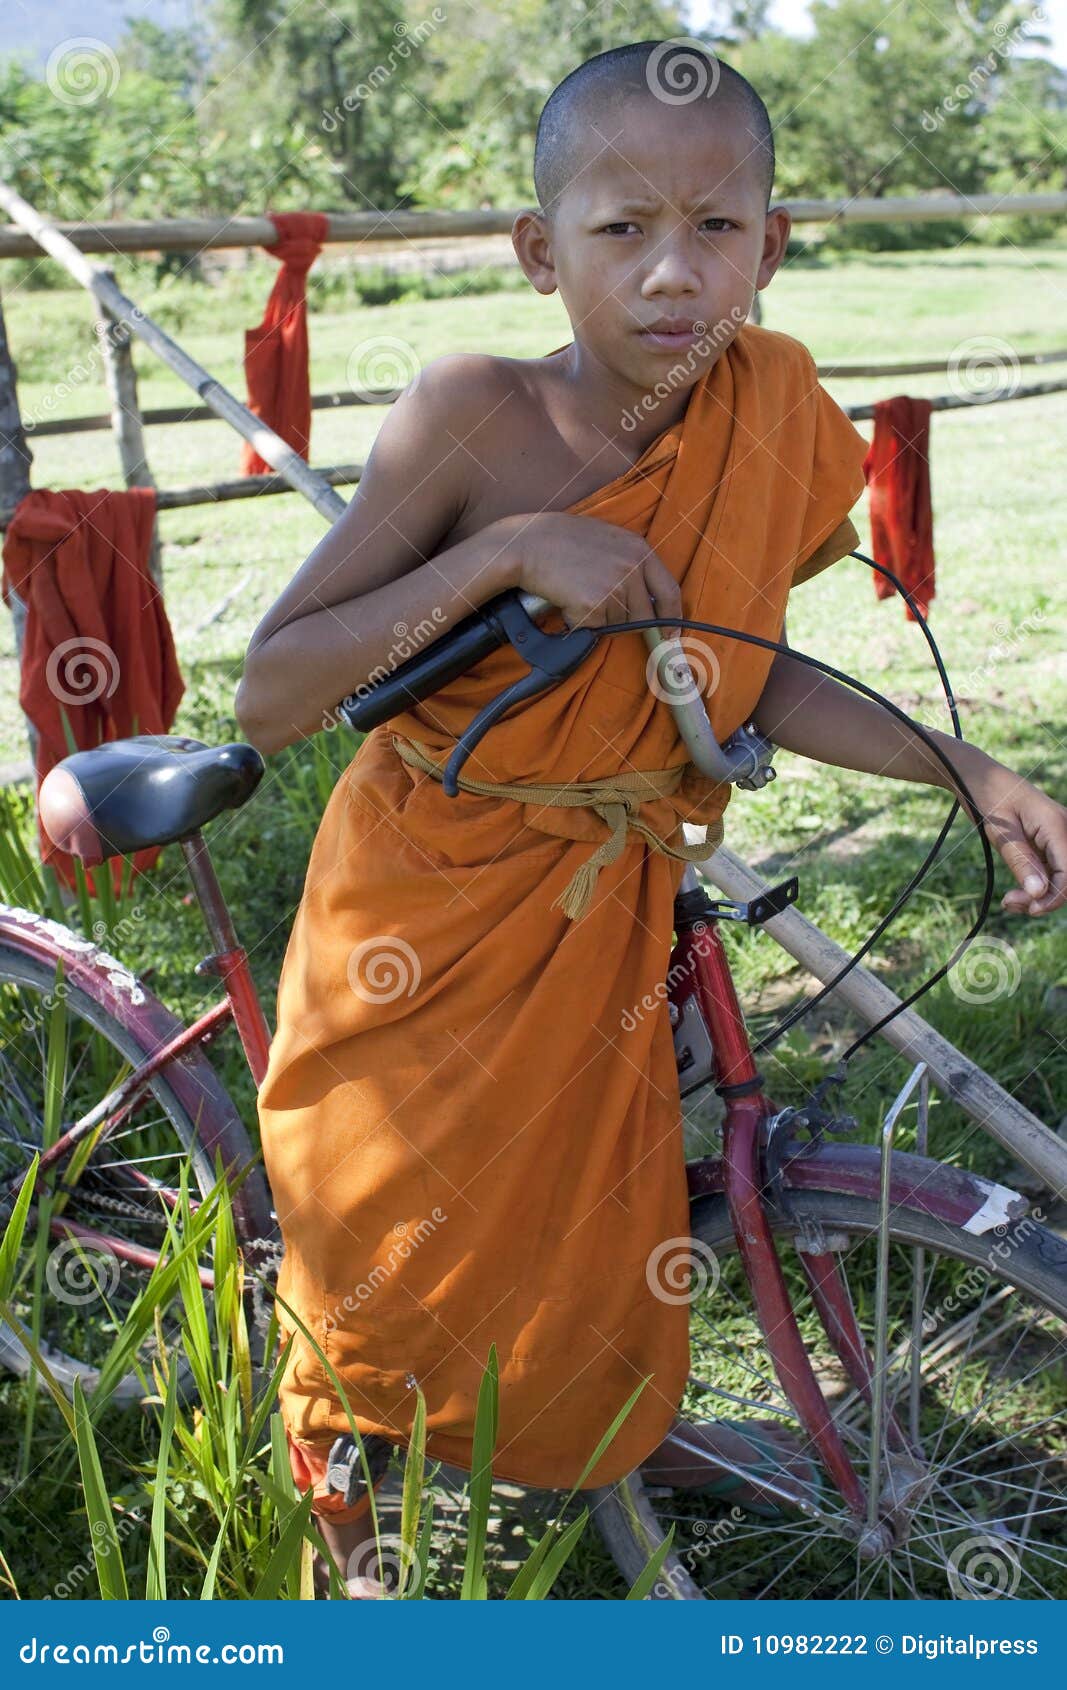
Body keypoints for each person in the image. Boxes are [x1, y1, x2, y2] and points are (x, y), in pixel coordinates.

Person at [235, 41, 1067, 1592]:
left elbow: (744, 671)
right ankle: (350, 1520)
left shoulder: (770, 405)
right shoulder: (475, 411)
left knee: (582, 1217)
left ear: (774, 243)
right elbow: (273, 691)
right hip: (425, 905)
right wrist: (506, 553)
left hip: (614, 893)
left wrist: (969, 769)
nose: (674, 273)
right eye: (622, 229)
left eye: (717, 227)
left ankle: (566, 1433)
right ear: (539, 249)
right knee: (381, 1239)